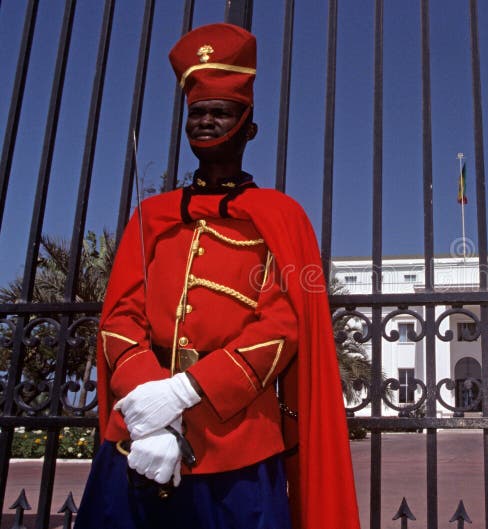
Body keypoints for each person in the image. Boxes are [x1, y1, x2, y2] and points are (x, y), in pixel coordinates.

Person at [75, 22, 361, 529]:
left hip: (236, 451)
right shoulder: (152, 217)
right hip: (139, 437)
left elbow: (282, 325)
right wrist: (152, 409)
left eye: (220, 113)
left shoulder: (282, 217)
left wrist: (184, 393)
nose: (205, 122)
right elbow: (120, 317)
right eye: (197, 114)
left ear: (248, 126)